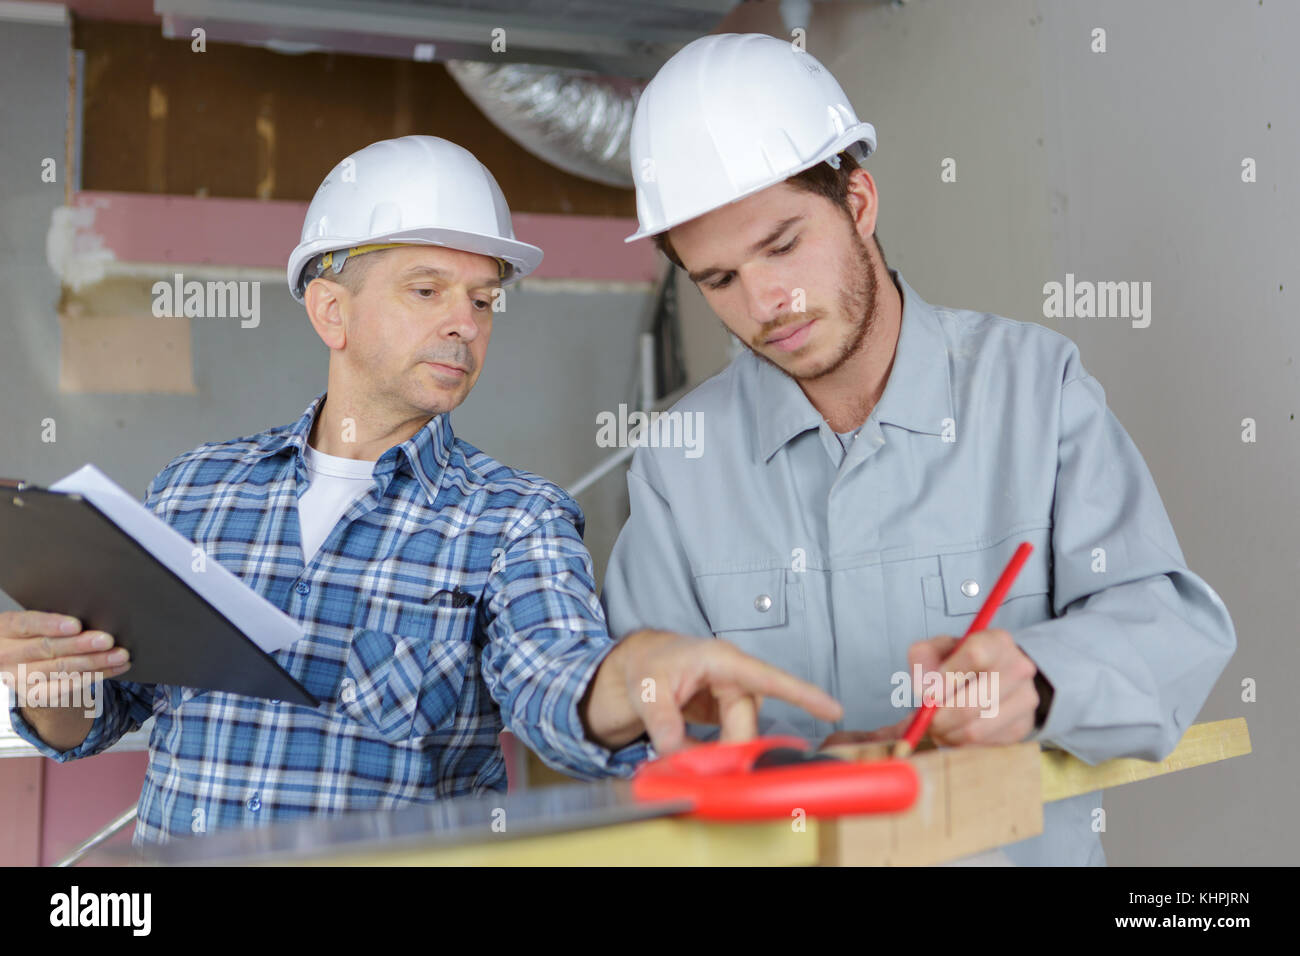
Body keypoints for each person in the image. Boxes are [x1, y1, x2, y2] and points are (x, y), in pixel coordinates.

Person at [1, 134, 840, 846]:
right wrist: (55, 685)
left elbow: (557, 684)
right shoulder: (195, 490)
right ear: (331, 312)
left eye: (482, 300)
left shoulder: (515, 521)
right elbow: (106, 713)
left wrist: (640, 673)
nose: (466, 324)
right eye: (428, 290)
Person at [602, 34, 1237, 865]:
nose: (766, 302)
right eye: (718, 280)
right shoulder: (676, 463)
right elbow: (638, 731)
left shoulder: (1034, 389)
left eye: (784, 244)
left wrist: (1038, 681)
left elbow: (1174, 632)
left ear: (859, 201)